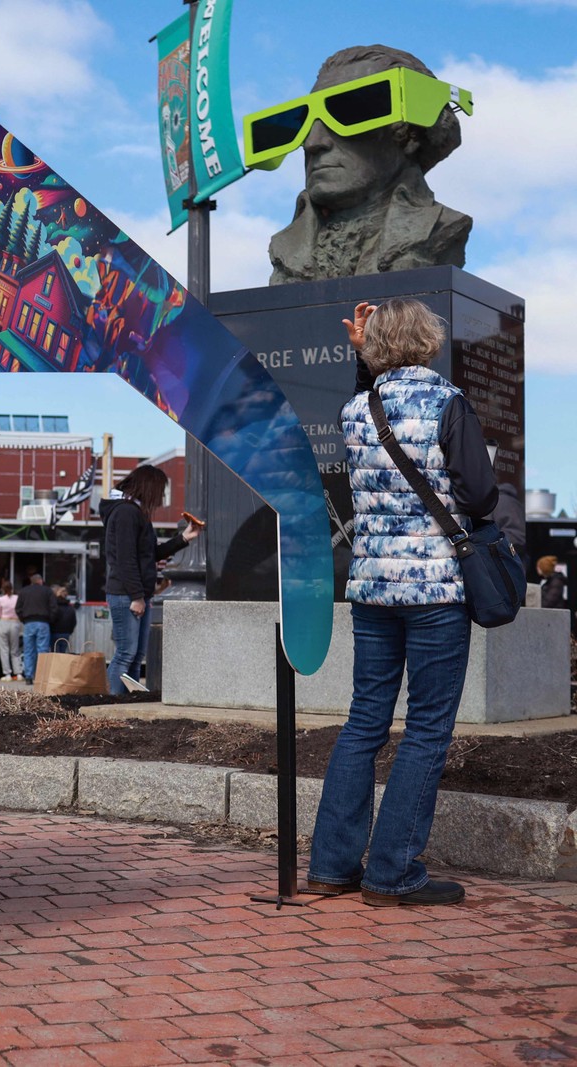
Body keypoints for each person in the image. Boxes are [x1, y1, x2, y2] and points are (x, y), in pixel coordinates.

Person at [307, 299, 498, 908]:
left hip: (372, 588)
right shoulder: (448, 403)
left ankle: (331, 866)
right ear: (429, 340)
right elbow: (481, 496)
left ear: (373, 349)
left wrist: (364, 358)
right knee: (426, 728)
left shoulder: (356, 410)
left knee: (365, 720)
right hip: (435, 589)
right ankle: (392, 873)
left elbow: (373, 404)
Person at [268, 45, 470, 284]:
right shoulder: (286, 248)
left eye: (347, 114)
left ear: (410, 135)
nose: (312, 142)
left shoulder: (441, 229)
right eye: (304, 123)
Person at [101, 467, 199, 694]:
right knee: (126, 654)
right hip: (127, 595)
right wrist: (137, 597)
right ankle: (113, 702)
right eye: (160, 490)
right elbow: (125, 559)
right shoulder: (126, 513)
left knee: (135, 656)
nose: (161, 496)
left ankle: (128, 702)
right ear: (148, 487)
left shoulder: (134, 512)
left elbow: (149, 554)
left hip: (135, 594)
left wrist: (184, 538)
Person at [14, 574, 56, 686]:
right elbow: (54, 608)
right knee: (42, 650)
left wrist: (24, 619)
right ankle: (41, 676)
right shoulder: (47, 591)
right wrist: (50, 620)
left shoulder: (24, 591)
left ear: (31, 581)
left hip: (29, 623)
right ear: (40, 581)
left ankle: (28, 676)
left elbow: (18, 608)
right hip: (43, 623)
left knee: (28, 651)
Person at [0, 580, 22, 681]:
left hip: (4, 621)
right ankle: (18, 673)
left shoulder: (0, 599)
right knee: (15, 649)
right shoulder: (17, 598)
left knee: (4, 649)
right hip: (14, 622)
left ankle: (7, 674)